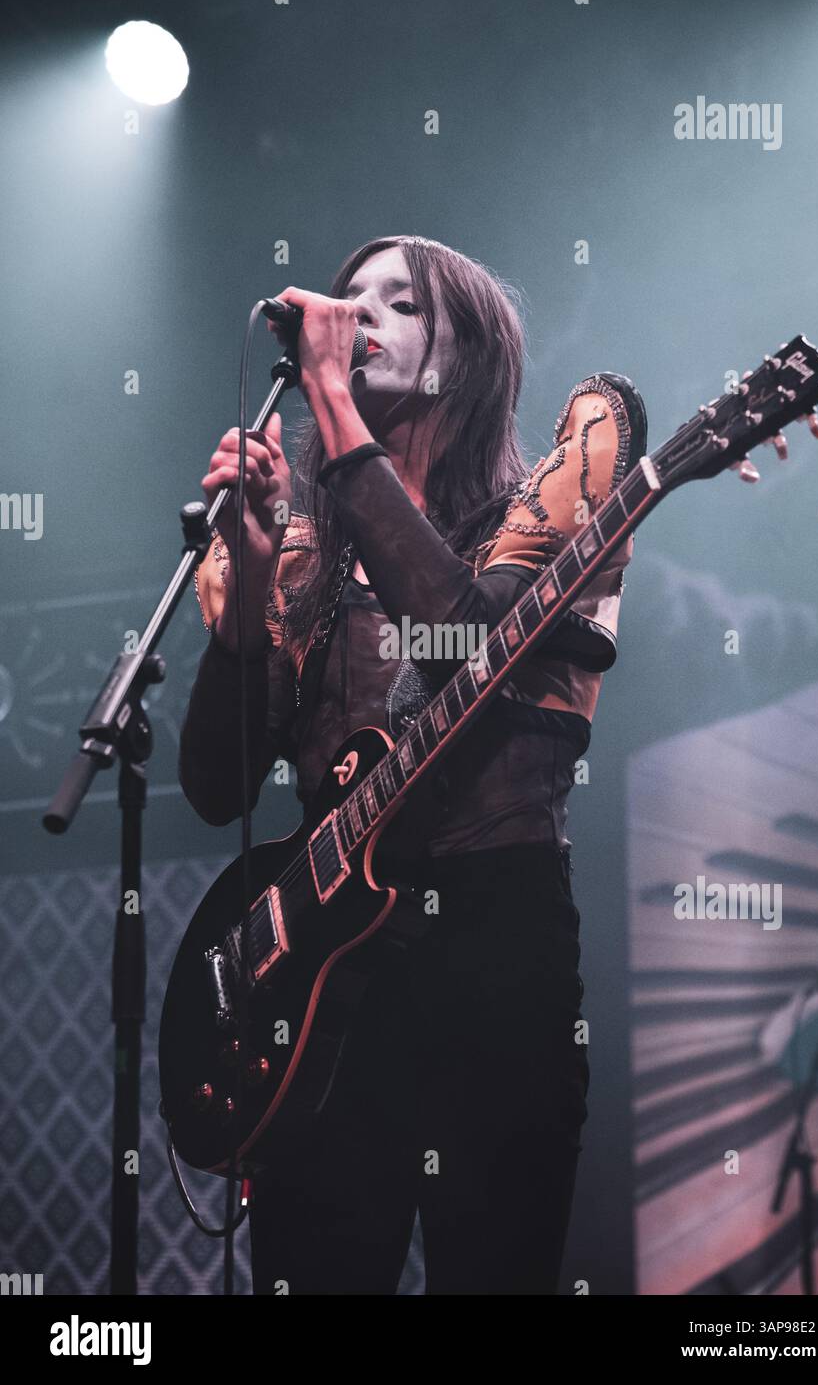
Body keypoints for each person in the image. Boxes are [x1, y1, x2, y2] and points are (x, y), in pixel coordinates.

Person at [178, 234, 647, 1294]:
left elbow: (464, 640)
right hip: (325, 994)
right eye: (350, 299)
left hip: (495, 954)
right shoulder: (303, 546)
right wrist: (248, 594)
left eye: (399, 302)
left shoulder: (543, 513)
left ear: (465, 350)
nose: (358, 315)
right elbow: (215, 789)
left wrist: (334, 415)